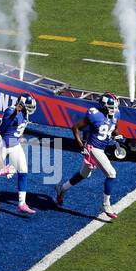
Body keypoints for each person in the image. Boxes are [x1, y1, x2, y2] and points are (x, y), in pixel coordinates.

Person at [55, 93, 121, 221]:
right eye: (111, 106)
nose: (114, 109)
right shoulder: (94, 114)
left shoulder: (116, 113)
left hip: (101, 148)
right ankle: (106, 205)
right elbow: (75, 127)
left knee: (84, 174)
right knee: (111, 173)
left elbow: (114, 127)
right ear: (104, 106)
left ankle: (61, 188)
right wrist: (81, 145)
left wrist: (117, 135)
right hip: (93, 148)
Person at [0, 93, 38, 214]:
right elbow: (3, 129)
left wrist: (20, 136)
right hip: (3, 144)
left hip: (14, 144)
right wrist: (15, 113)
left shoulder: (25, 113)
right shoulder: (10, 111)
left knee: (23, 171)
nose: (30, 110)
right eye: (28, 107)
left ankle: (21, 203)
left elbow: (20, 127)